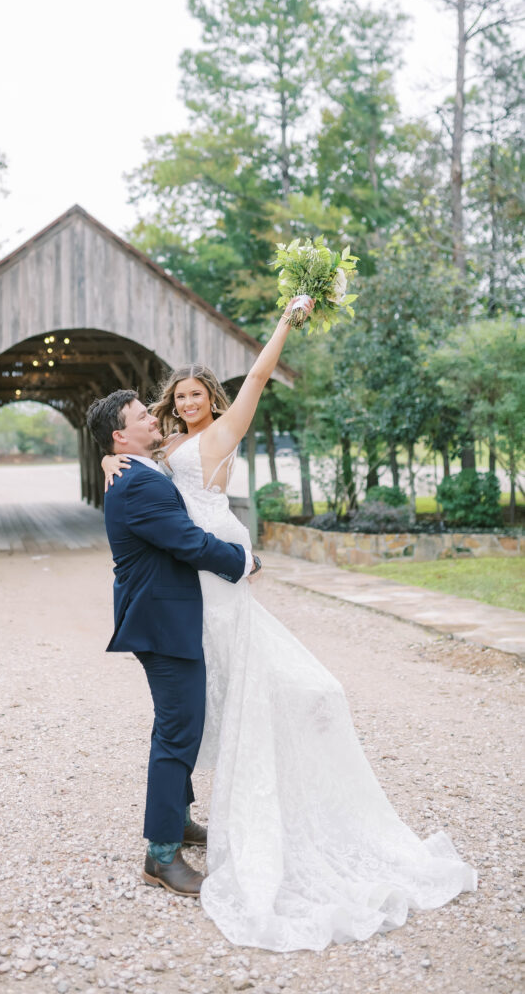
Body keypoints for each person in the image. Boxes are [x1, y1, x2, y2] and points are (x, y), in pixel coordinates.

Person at [101, 297, 477, 952]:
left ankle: (190, 820)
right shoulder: (149, 462)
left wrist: (285, 321)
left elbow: (254, 379)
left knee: (231, 698)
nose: (178, 406)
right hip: (191, 590)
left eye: (193, 395)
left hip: (206, 584)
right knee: (186, 714)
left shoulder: (209, 439)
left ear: (210, 400)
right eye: (171, 400)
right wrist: (115, 462)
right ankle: (167, 839)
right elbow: (163, 513)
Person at [85, 389, 260, 898]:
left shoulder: (138, 470)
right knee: (177, 730)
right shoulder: (138, 483)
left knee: (179, 723)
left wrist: (105, 458)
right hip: (161, 622)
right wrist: (243, 560)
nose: (152, 418)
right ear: (120, 436)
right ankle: (160, 855)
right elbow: (188, 541)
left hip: (167, 618)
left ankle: (178, 820)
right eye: (142, 416)